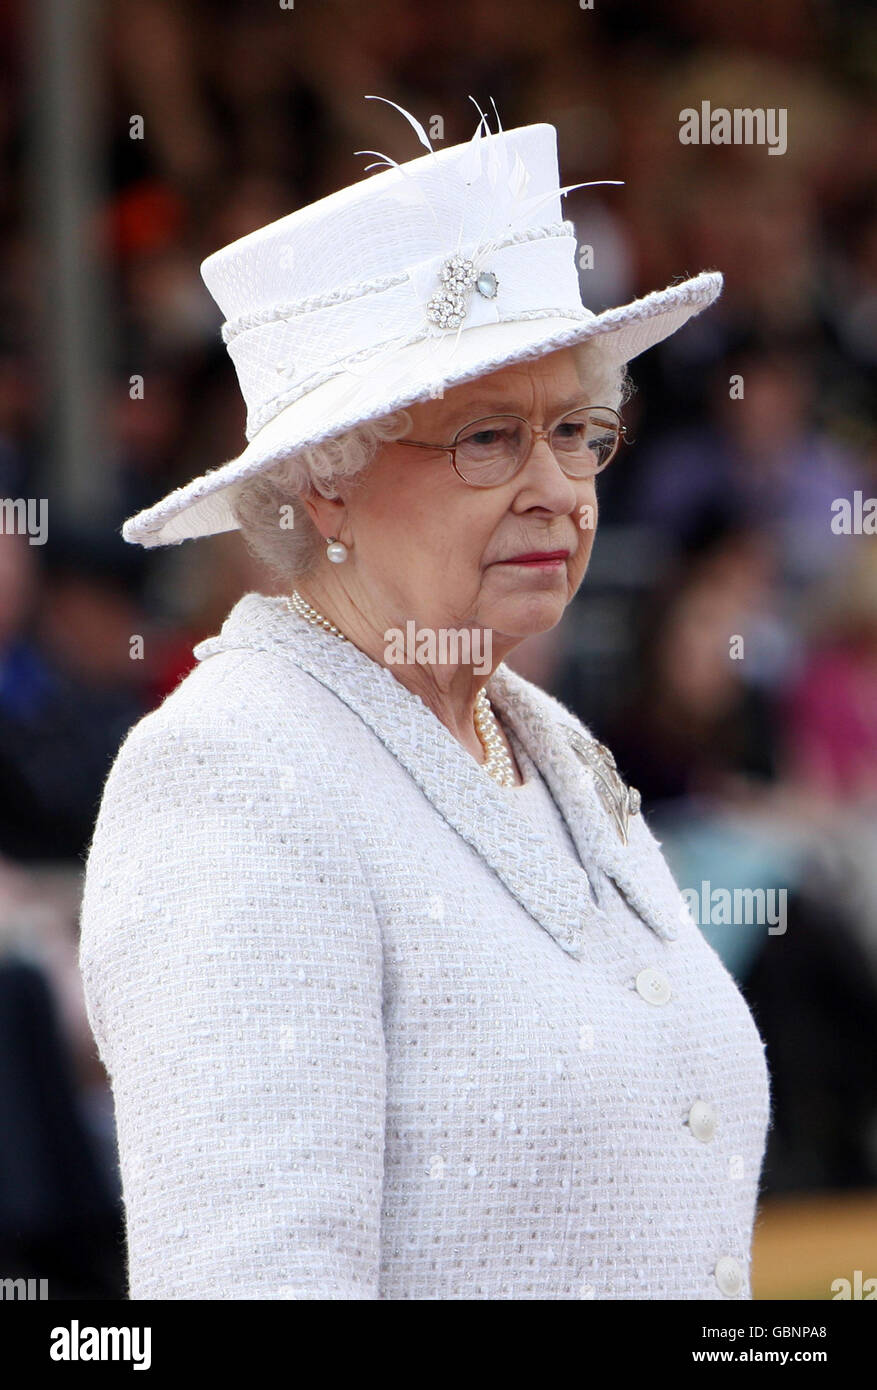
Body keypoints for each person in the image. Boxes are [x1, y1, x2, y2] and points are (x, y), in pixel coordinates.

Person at [77, 98, 770, 1300]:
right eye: (488, 438)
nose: (558, 485)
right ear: (323, 485)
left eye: (577, 429)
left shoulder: (549, 742)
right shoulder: (233, 772)